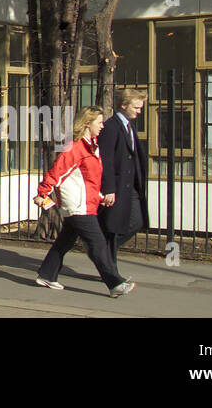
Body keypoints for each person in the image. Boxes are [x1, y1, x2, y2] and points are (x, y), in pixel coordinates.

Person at [33, 105, 135, 297]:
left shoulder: (92, 145)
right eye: (99, 122)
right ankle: (115, 283)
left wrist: (100, 197)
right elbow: (58, 171)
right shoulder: (76, 147)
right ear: (87, 123)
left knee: (64, 241)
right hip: (77, 206)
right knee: (98, 245)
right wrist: (43, 192)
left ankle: (47, 274)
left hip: (85, 203)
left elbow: (89, 179)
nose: (103, 126)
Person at [99, 88, 149, 264]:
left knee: (136, 222)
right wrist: (109, 189)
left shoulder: (128, 126)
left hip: (131, 187)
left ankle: (103, 252)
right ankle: (108, 264)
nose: (139, 111)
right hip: (118, 187)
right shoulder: (111, 127)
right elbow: (106, 161)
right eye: (136, 107)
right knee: (113, 228)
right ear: (123, 105)